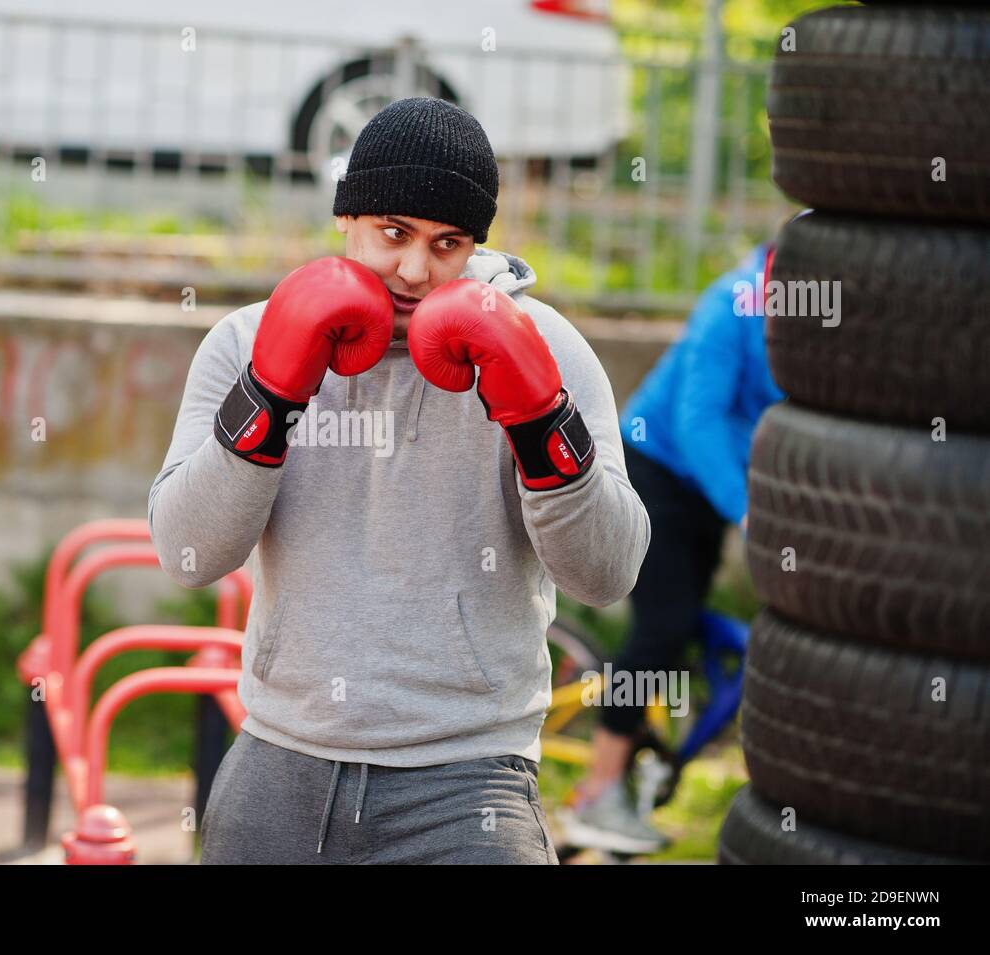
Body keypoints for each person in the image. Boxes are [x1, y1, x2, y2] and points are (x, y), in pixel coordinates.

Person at [148, 97, 649, 864]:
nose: (415, 269)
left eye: (446, 243)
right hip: (282, 758)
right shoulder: (247, 340)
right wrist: (270, 397)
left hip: (470, 779)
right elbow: (187, 554)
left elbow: (607, 574)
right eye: (393, 235)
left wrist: (541, 423)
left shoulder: (545, 347)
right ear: (345, 219)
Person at [561, 242, 785, 855]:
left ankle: (640, 770)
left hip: (713, 484)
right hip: (657, 469)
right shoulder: (730, 305)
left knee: (685, 626)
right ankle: (599, 791)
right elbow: (698, 421)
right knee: (663, 626)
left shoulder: (820, 315)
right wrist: (746, 510)